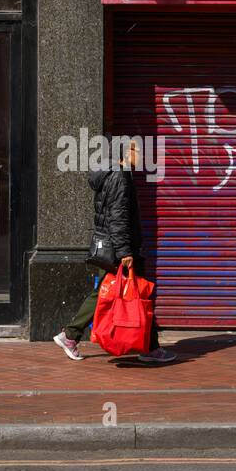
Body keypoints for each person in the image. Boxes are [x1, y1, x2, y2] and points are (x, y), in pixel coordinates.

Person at [54, 138, 176, 364]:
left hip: (114, 248)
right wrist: (125, 252)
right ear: (124, 153)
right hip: (122, 249)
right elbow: (118, 218)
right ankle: (149, 348)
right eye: (135, 150)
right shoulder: (120, 177)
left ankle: (70, 335)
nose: (139, 154)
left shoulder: (111, 175)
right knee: (140, 295)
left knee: (105, 292)